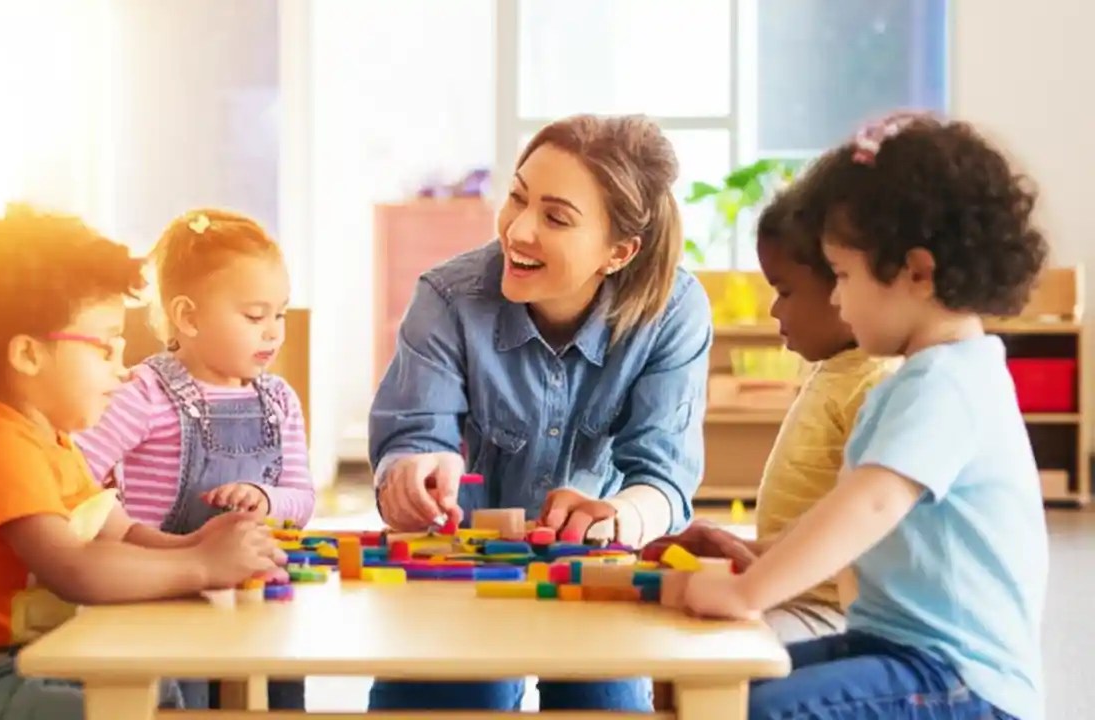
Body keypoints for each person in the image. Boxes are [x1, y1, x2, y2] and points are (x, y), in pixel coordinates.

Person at [663, 113, 1049, 720]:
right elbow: (845, 516)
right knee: (727, 689)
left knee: (756, 712)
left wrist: (746, 593)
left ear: (917, 273)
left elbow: (869, 506)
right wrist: (763, 555)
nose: (837, 298)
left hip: (959, 679)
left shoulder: (946, 385)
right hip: (897, 646)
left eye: (843, 275)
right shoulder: (931, 377)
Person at [0, 205, 285, 719]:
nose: (125, 370)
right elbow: (74, 569)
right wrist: (199, 564)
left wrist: (202, 544)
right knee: (110, 709)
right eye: (105, 348)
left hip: (11, 666)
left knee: (161, 692)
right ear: (27, 355)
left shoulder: (53, 441)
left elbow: (122, 533)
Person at [368, 114, 712, 712]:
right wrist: (411, 475)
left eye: (555, 217)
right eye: (517, 198)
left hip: (594, 573)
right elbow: (414, 437)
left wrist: (614, 516)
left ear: (618, 251)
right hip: (458, 571)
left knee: (602, 699)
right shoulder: (447, 298)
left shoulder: (672, 311)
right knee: (445, 695)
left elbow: (663, 479)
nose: (518, 230)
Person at [76, 208, 312, 710]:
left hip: (256, 596)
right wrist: (119, 531)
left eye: (280, 314)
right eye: (254, 316)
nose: (273, 332)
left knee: (278, 699)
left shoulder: (280, 400)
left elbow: (302, 499)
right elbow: (73, 472)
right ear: (188, 317)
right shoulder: (144, 394)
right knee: (188, 705)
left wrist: (266, 499)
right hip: (165, 595)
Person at [647, 186, 896, 643]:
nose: (774, 309)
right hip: (787, 589)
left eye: (785, 291)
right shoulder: (839, 370)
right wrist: (750, 551)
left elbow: (867, 521)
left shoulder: (873, 382)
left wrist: (751, 584)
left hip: (826, 611)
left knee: (701, 649)